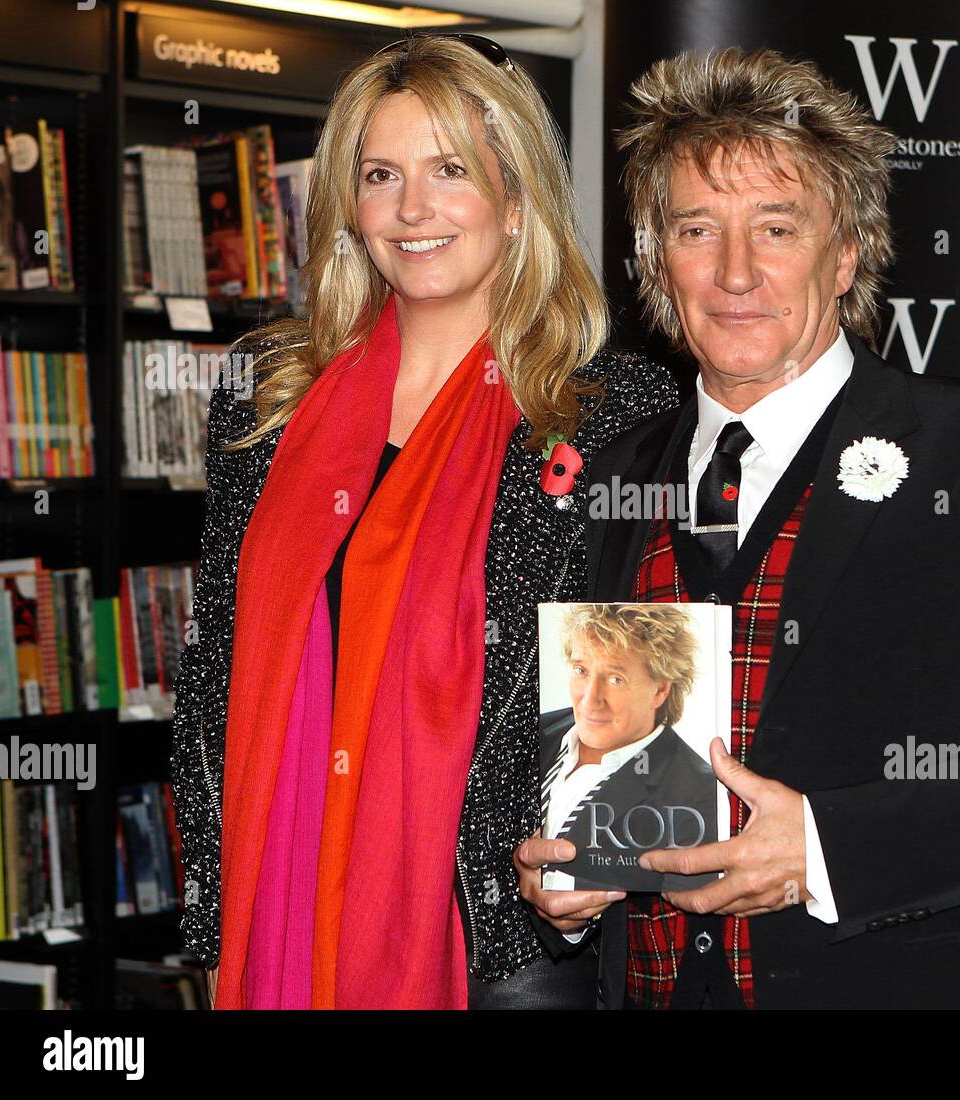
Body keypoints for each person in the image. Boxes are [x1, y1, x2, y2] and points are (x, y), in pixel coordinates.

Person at [515, 46, 960, 1009]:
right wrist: (565, 890)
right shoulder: (608, 476)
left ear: (848, 253)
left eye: (776, 227)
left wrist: (828, 848)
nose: (736, 272)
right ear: (657, 260)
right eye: (698, 229)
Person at [168, 33, 676, 1011]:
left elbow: (641, 658)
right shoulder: (270, 398)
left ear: (517, 197)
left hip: (508, 939)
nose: (412, 208)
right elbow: (214, 664)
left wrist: (594, 877)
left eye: (451, 170)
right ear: (349, 211)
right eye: (381, 175)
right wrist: (212, 898)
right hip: (276, 907)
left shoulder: (612, 405)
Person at [539, 603, 717, 891]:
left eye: (615, 679)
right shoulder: (536, 730)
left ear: (660, 690)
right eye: (581, 670)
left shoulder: (699, 792)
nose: (589, 700)